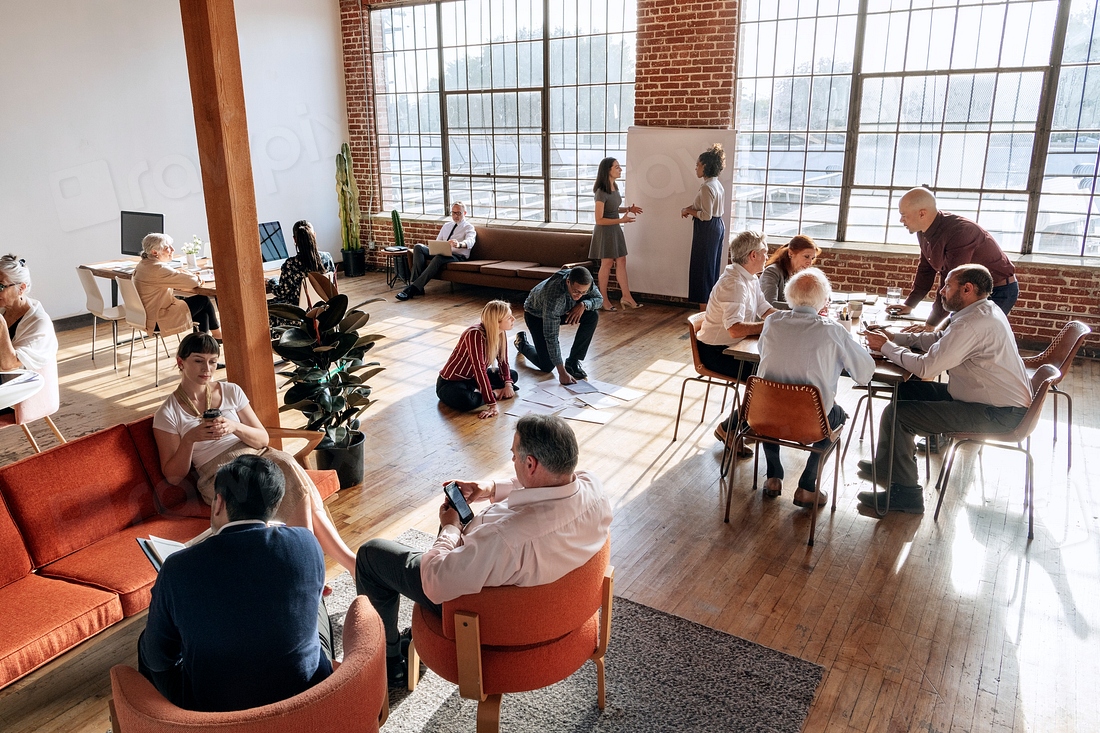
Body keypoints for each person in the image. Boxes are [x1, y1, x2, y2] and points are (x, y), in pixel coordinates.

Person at [355, 414, 613, 686]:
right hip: (558, 611)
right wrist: (489, 489)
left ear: (530, 463)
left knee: (372, 555)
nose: (512, 461)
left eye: (514, 456)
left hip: (483, 613)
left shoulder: (504, 539)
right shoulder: (592, 487)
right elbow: (549, 484)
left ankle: (389, 663)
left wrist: (450, 528)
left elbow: (434, 581)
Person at [138, 455, 333, 712]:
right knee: (316, 601)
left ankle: (154, 721)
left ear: (218, 502)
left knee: (148, 645)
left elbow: (159, 658)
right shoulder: (306, 542)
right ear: (274, 505)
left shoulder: (178, 566)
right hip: (305, 691)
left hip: (217, 711)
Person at [152, 332, 357, 572]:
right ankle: (333, 566)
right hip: (221, 472)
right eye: (198, 360)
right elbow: (174, 477)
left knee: (285, 462)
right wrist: (189, 440)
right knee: (292, 482)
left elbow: (263, 439)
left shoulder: (230, 391)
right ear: (180, 362)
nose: (206, 368)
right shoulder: (167, 413)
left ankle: (312, 568)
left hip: (257, 456)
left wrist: (234, 427)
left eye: (212, 361)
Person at [860, 264, 1032, 514]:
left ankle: (907, 495)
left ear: (967, 289)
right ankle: (888, 465)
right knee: (905, 392)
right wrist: (895, 338)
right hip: (987, 401)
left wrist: (886, 348)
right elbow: (940, 341)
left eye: (947, 285)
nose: (941, 291)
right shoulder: (982, 310)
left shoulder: (972, 323)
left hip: (999, 414)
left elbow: (927, 368)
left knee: (898, 416)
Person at [757, 268, 874, 506]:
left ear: (789, 295)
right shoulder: (833, 329)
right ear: (824, 299)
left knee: (772, 400)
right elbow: (864, 374)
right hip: (811, 422)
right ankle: (807, 487)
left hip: (763, 416)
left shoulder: (772, 321)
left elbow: (763, 353)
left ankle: (773, 477)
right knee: (837, 414)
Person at [889, 187, 1017, 329]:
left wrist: (930, 324)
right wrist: (909, 304)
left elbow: (952, 282)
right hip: (966, 290)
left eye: (904, 215)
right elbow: (926, 270)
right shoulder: (923, 231)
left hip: (998, 290)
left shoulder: (960, 232)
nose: (901, 220)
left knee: (972, 338)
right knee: (953, 335)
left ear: (922, 213)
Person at [696, 230, 776, 444]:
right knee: (768, 380)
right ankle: (729, 428)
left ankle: (751, 427)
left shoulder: (749, 278)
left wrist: (788, 319)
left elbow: (764, 308)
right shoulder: (734, 284)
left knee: (774, 373)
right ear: (753, 255)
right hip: (716, 352)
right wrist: (770, 325)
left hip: (734, 347)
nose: (767, 257)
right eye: (765, 253)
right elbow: (735, 329)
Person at [513, 266, 603, 384]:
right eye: (576, 291)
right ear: (568, 282)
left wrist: (584, 304)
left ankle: (573, 362)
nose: (579, 296)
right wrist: (562, 372)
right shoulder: (554, 297)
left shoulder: (587, 281)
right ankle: (521, 343)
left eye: (583, 292)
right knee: (547, 366)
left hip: (563, 310)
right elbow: (551, 336)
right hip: (536, 315)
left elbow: (599, 299)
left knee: (592, 315)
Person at [437, 300, 519, 419]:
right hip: (451, 382)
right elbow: (479, 370)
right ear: (496, 322)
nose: (513, 319)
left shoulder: (501, 333)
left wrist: (508, 385)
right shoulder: (474, 334)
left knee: (512, 375)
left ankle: (483, 391)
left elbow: (503, 362)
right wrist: (492, 403)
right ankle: (494, 392)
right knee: (467, 401)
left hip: (472, 379)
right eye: (509, 317)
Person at [133, 233, 222, 339]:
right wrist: (197, 277)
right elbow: (192, 282)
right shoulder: (158, 269)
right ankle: (218, 336)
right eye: (167, 248)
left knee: (202, 312)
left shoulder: (143, 265)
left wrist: (182, 275)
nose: (173, 249)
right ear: (154, 252)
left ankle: (201, 345)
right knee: (203, 300)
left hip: (145, 316)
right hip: (158, 319)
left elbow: (175, 276)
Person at [590, 157, 643, 310]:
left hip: (614, 229)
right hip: (605, 231)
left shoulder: (615, 187)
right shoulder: (601, 192)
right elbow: (599, 219)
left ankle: (626, 296)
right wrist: (622, 221)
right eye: (617, 167)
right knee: (606, 264)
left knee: (621, 261)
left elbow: (611, 209)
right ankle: (603, 300)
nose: (620, 169)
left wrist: (627, 209)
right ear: (608, 170)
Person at [396, 201, 477, 301]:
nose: (455, 216)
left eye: (458, 213)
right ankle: (418, 287)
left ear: (464, 213)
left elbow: (470, 242)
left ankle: (413, 288)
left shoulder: (468, 227)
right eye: (453, 213)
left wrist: (459, 244)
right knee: (418, 247)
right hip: (442, 252)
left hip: (457, 256)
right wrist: (436, 247)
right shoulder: (447, 226)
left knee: (439, 258)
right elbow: (438, 241)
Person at [681, 143, 726, 307]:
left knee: (702, 270)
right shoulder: (717, 184)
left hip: (707, 229)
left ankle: (704, 313)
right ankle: (708, 311)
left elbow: (705, 216)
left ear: (705, 166)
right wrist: (691, 209)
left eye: (698, 165)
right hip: (717, 226)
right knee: (710, 268)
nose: (696, 169)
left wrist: (687, 210)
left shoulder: (707, 187)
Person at [0, 255, 56, 376]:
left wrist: (2, 324)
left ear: (21, 288)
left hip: (20, 387)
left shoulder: (39, 323)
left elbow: (9, 364)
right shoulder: (3, 310)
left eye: (1, 286)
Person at [269, 220, 335, 313]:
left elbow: (281, 292)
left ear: (295, 239)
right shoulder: (327, 258)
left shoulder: (291, 264)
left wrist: (272, 282)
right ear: (314, 236)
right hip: (323, 311)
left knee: (266, 309)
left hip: (298, 314)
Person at [759, 234, 820, 310]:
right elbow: (770, 304)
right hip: (770, 320)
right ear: (790, 253)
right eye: (806, 257)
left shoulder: (801, 274)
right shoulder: (772, 271)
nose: (809, 262)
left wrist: (823, 301)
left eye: (812, 258)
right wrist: (807, 309)